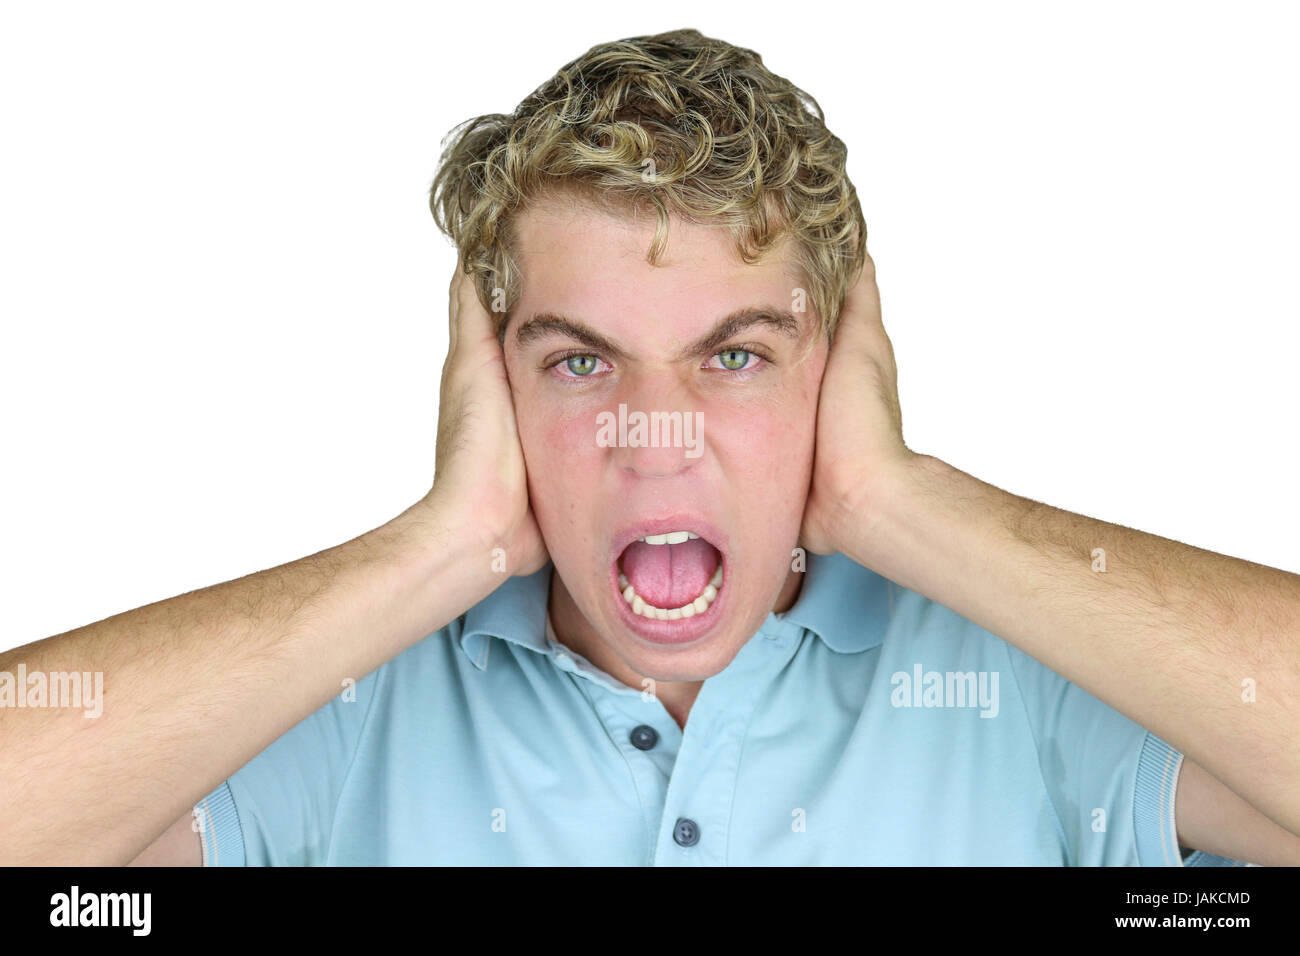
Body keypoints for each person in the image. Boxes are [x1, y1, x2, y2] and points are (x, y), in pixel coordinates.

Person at [2, 28, 1297, 866]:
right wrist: (444, 546)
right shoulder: (354, 703)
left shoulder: (1019, 676)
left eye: (735, 356)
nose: (657, 435)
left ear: (837, 369)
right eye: (580, 360)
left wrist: (896, 504)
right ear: (492, 382)